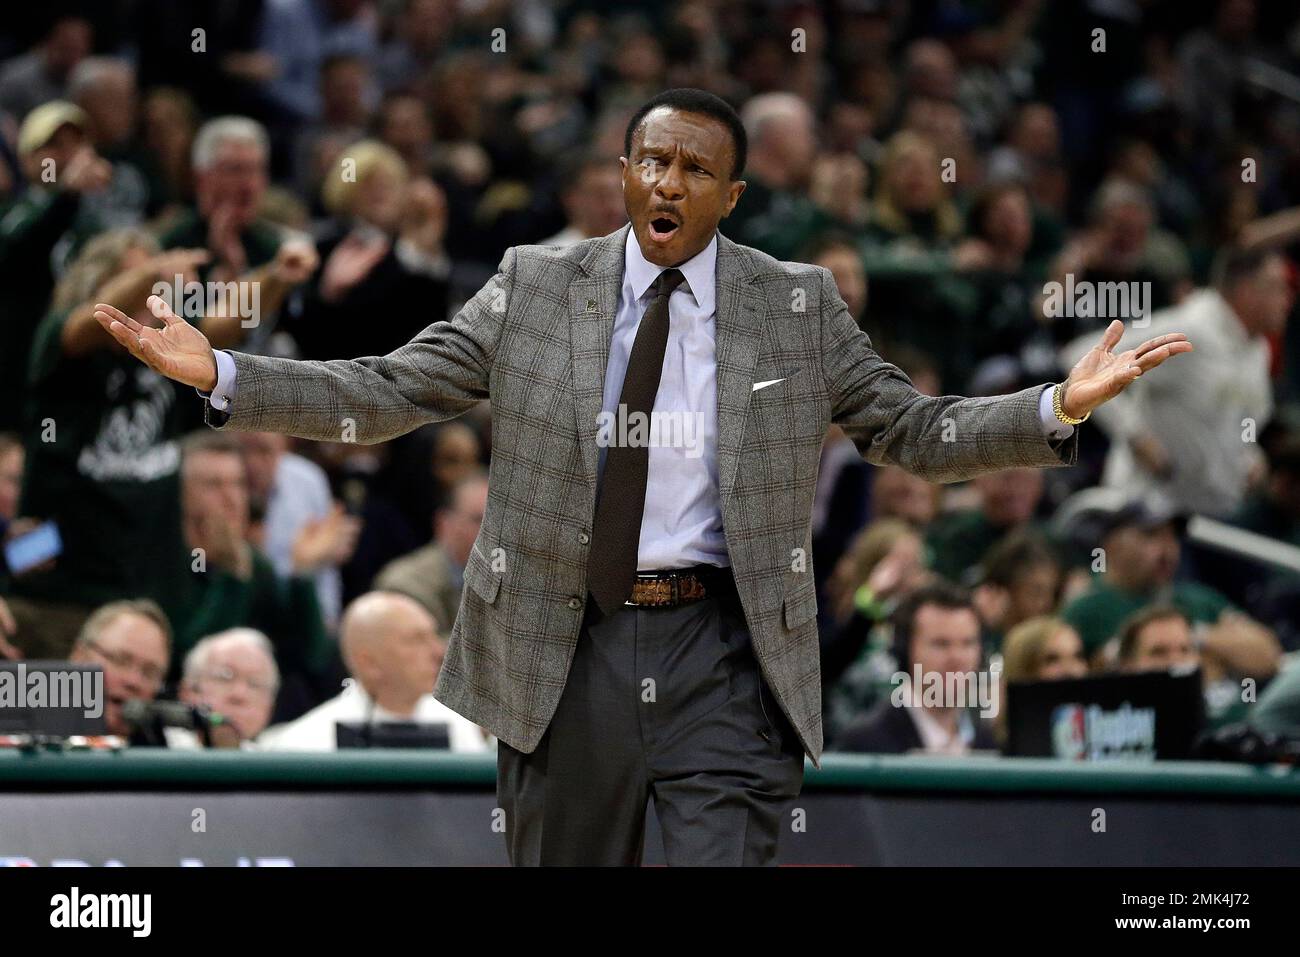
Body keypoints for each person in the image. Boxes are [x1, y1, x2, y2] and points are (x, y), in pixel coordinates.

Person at [92, 87, 1192, 866]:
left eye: (695, 169)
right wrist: (228, 371)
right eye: (651, 161)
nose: (667, 182)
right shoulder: (533, 283)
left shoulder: (795, 305)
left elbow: (910, 428)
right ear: (624, 174)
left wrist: (1054, 406)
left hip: (722, 648)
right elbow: (391, 390)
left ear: (731, 194)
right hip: (562, 646)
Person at [1059, 246, 1291, 517]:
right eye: (1277, 287)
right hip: (1145, 511)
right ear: (1245, 290)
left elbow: (1238, 418)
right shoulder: (1190, 328)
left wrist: (1250, 456)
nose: (1288, 299)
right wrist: (1136, 436)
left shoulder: (1258, 350)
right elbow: (1081, 358)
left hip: (1213, 514)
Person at [258, 591, 489, 753]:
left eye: (433, 636)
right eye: (416, 640)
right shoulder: (308, 743)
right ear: (370, 664)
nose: (438, 652)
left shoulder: (458, 724)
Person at [835, 583, 999, 755]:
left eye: (968, 643)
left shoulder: (987, 743)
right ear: (905, 650)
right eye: (941, 644)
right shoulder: (863, 744)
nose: (957, 657)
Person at [374, 470, 487, 633]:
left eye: (500, 523)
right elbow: (420, 652)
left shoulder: (510, 578)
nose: (494, 534)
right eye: (478, 520)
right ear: (444, 523)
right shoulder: (405, 585)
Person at [67, 599, 171, 740]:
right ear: (79, 657)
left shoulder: (167, 754)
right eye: (120, 661)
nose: (133, 681)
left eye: (149, 673)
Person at [170, 627, 281, 747]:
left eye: (254, 684)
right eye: (225, 677)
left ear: (269, 707)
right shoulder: (158, 748)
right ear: (188, 691)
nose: (239, 695)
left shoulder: (278, 761)